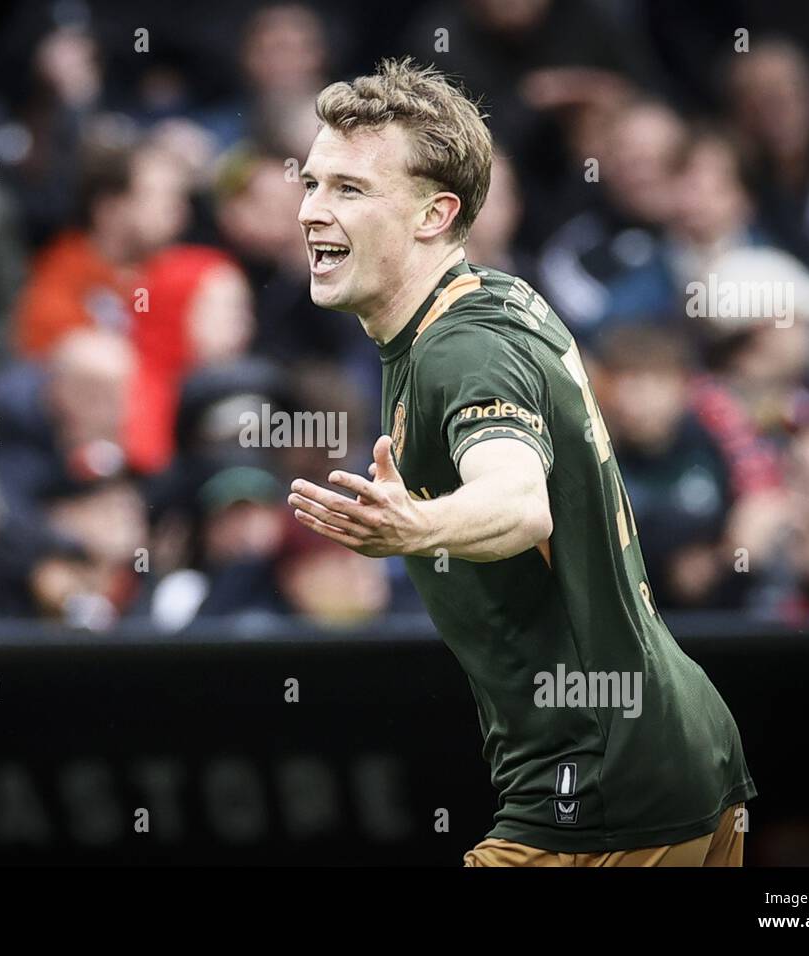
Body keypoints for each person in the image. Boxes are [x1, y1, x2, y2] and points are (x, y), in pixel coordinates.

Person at [286, 58, 756, 866]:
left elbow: (517, 499)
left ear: (436, 214)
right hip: (668, 747)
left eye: (350, 190)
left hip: (604, 776)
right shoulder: (490, 297)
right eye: (313, 182)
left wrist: (415, 524)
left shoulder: (460, 350)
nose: (311, 212)